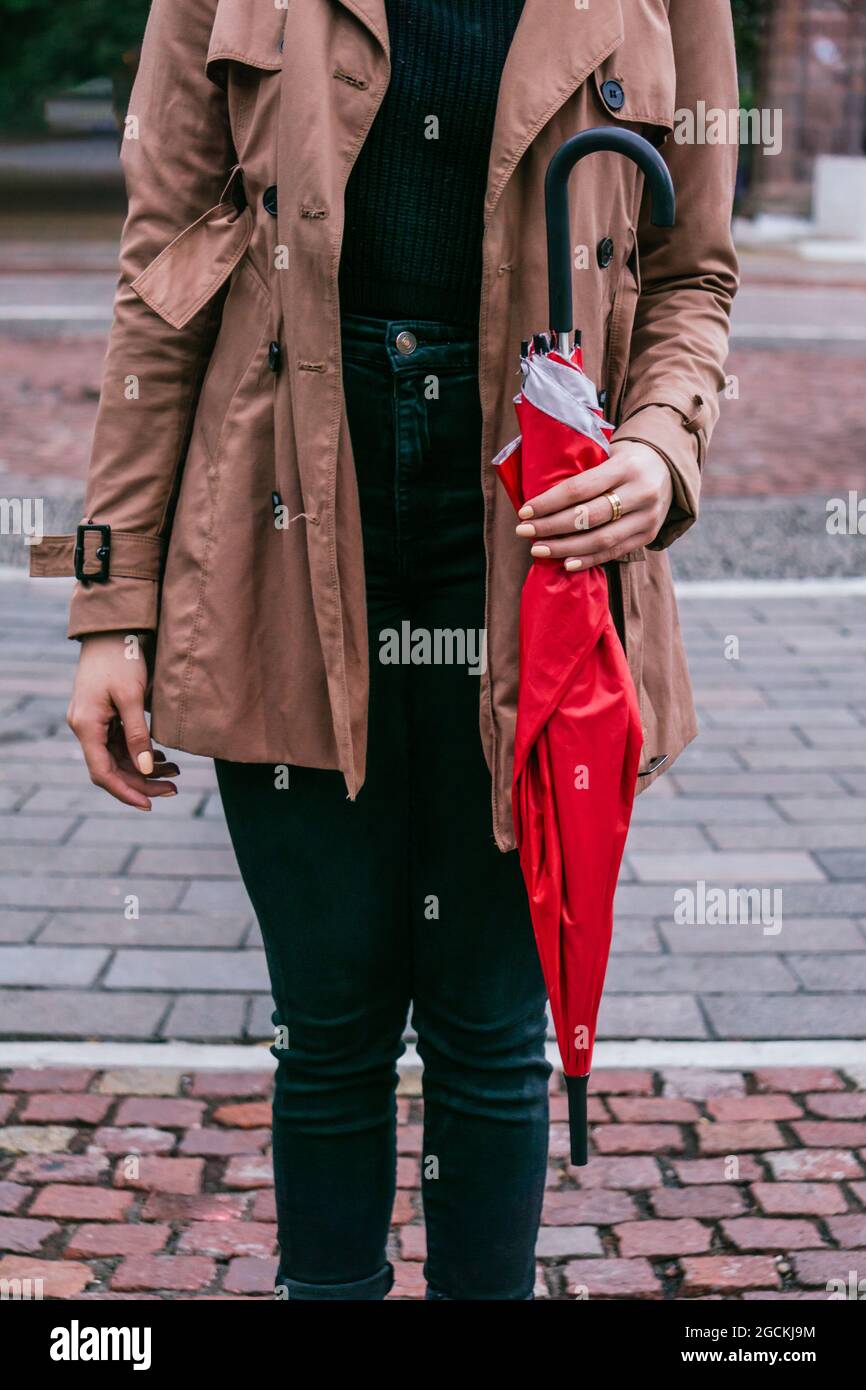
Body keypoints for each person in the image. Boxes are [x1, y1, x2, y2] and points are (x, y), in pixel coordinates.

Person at [31, 0, 739, 1300]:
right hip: (280, 523)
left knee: (488, 1029)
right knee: (329, 1027)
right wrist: (109, 604)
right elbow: (160, 276)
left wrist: (659, 446)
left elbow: (692, 269)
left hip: (534, 532)